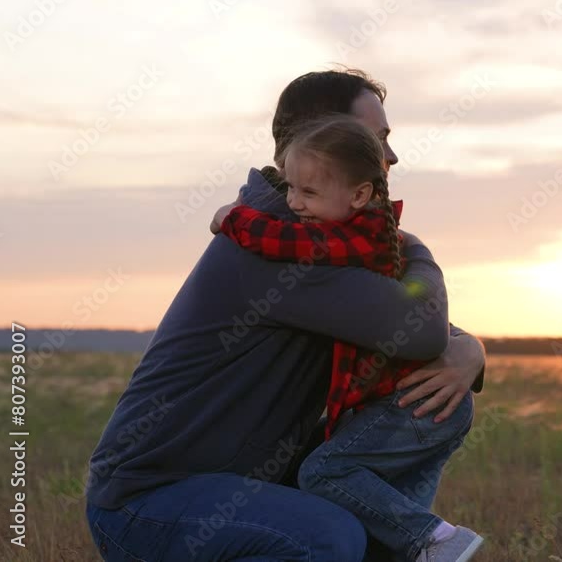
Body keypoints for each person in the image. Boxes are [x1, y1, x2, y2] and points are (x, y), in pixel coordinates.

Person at [85, 69, 485, 561]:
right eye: (377, 138)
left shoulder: (315, 236)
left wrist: (469, 348)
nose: (392, 155)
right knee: (326, 537)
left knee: (424, 412)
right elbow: (419, 330)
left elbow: (389, 316)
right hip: (147, 501)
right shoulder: (283, 248)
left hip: (233, 485)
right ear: (330, 141)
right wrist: (410, 242)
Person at [217, 115, 484, 561]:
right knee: (369, 508)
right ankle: (422, 547)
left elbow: (283, 242)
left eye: (309, 192)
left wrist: (234, 219)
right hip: (415, 404)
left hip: (417, 406)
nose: (295, 204)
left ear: (359, 194)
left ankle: (437, 540)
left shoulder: (355, 239)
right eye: (290, 189)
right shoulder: (361, 231)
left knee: (322, 472)